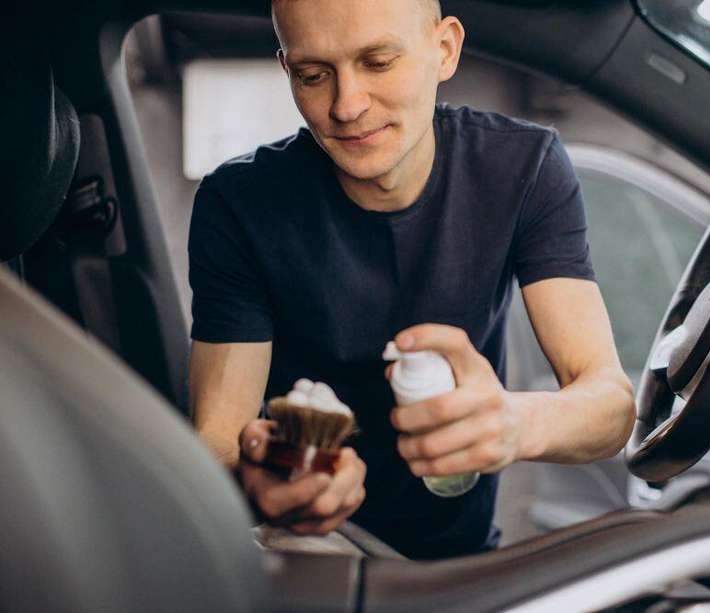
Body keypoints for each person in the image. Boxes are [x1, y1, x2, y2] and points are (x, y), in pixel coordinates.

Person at [188, 0, 636, 560]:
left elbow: (609, 406)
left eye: (377, 62)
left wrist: (513, 422)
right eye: (312, 75)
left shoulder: (524, 168)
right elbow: (218, 445)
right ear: (287, 70)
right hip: (301, 557)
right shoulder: (239, 204)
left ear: (444, 49)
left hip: (459, 557)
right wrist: (262, 484)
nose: (346, 106)